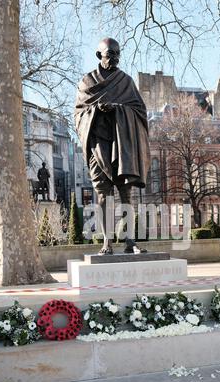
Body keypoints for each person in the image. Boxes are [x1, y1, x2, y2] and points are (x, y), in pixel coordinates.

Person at [74, 38, 150, 254]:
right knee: (103, 194)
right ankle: (107, 243)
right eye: (110, 54)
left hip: (122, 145)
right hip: (99, 145)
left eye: (117, 54)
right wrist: (97, 109)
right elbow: (78, 115)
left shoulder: (126, 82)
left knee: (126, 194)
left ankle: (129, 242)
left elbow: (140, 112)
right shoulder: (87, 82)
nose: (115, 58)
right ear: (99, 55)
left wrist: (118, 109)